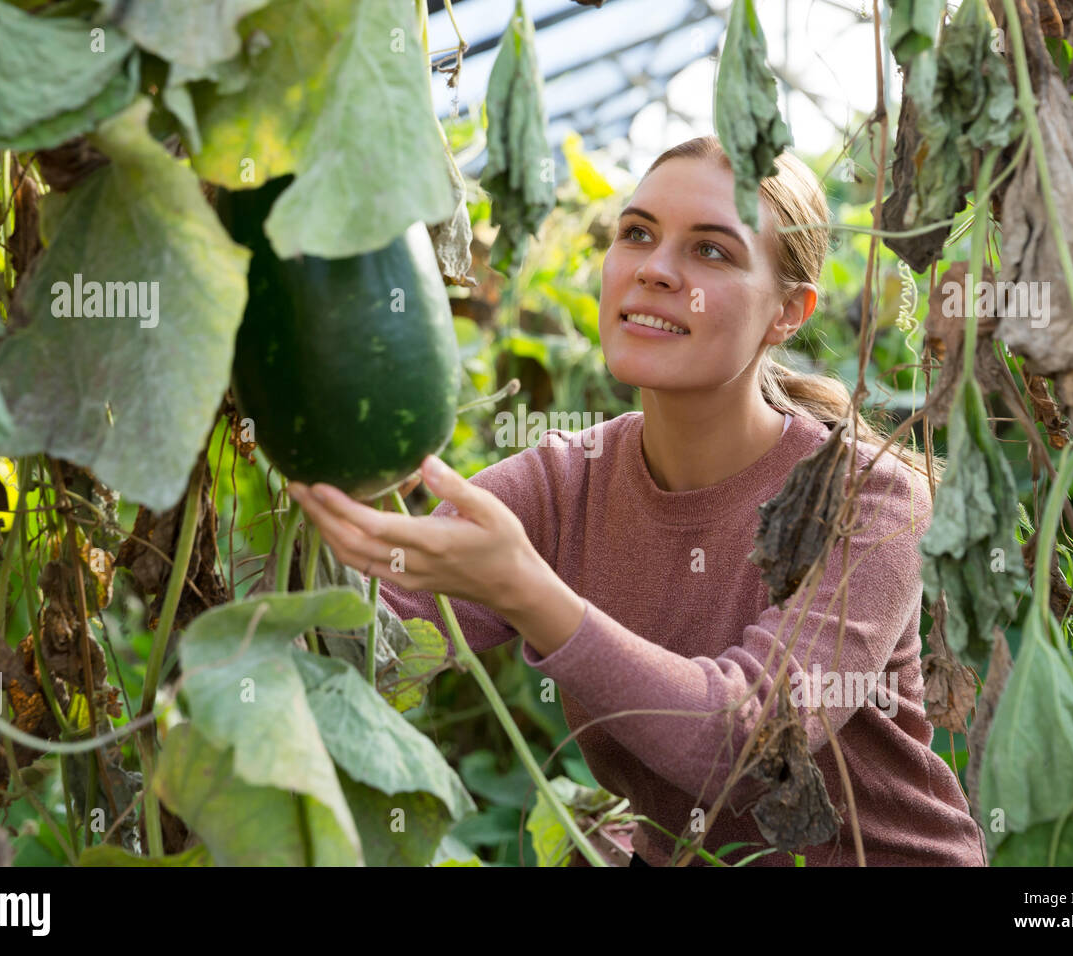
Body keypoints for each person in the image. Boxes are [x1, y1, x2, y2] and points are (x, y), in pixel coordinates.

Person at [289, 135, 988, 867]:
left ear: (788, 313)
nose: (655, 270)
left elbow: (748, 744)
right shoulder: (561, 484)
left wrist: (526, 592)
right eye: (637, 234)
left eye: (711, 251)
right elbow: (360, 640)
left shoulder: (869, 498)